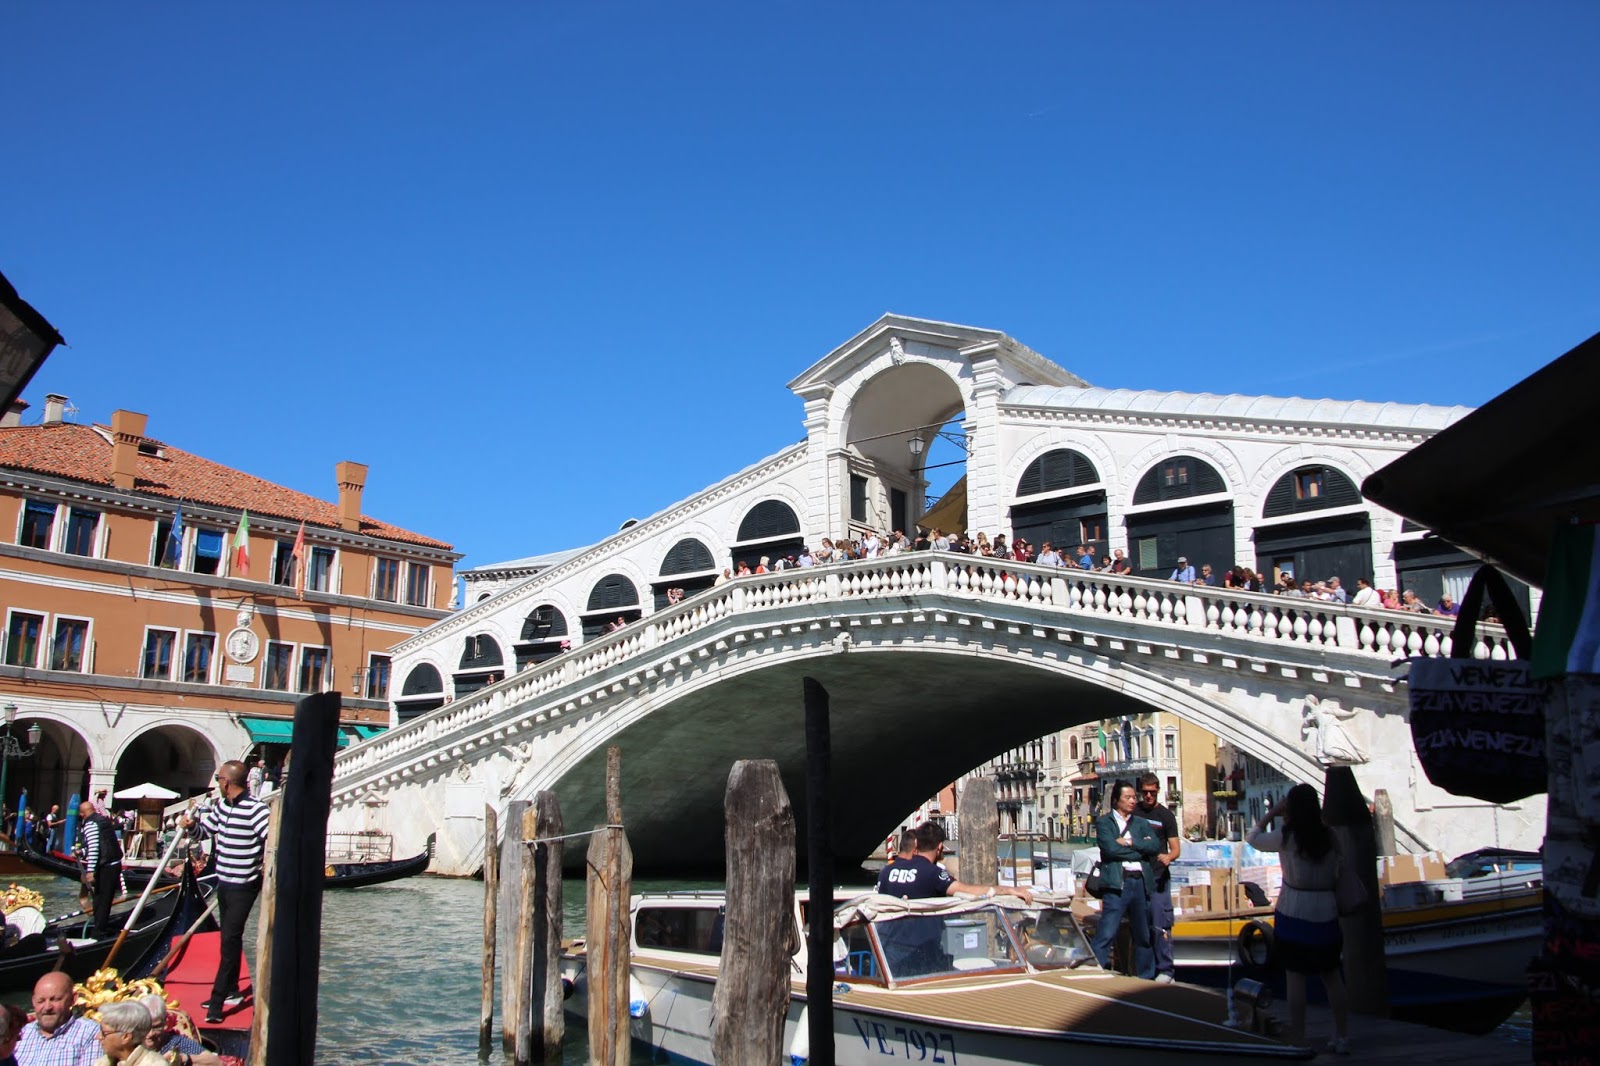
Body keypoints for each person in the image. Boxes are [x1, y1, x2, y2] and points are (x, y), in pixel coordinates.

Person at [1246, 783, 1352, 1054]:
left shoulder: (1286, 836)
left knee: (1295, 976)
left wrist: (1273, 813)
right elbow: (1341, 864)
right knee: (1331, 975)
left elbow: (1253, 837)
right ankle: (1341, 1035)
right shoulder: (1330, 836)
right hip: (1326, 908)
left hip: (1294, 908)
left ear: (1290, 808)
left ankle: (1300, 1035)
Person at [182, 760, 269, 1024]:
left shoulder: (256, 810)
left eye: (219, 778)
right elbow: (205, 831)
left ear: (226, 782)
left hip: (244, 884)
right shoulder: (223, 806)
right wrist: (190, 826)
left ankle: (218, 1002)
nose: (217, 782)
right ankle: (232, 989)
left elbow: (273, 839)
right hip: (224, 881)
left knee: (230, 939)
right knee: (227, 939)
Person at [1089, 780, 1162, 979]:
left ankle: (1146, 976)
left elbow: (1155, 846)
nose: (1132, 801)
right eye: (1127, 798)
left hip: (1140, 882)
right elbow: (1110, 849)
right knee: (1107, 931)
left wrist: (1129, 842)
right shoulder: (1105, 823)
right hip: (1116, 883)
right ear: (1116, 800)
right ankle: (1097, 971)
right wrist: (1140, 850)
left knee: (1143, 934)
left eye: (1133, 797)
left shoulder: (1141, 823)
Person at [875, 822, 1033, 904]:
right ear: (940, 847)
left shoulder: (886, 872)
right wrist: (1009, 890)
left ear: (917, 845)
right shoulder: (933, 873)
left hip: (888, 950)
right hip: (922, 950)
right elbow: (969, 890)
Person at [1135, 773, 1182, 983]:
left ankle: (1166, 970)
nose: (1148, 796)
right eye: (1145, 792)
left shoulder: (1166, 816)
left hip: (1158, 877)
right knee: (1140, 925)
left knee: (1160, 923)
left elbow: (1176, 849)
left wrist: (1168, 857)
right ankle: (1143, 970)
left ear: (1158, 791)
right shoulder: (1133, 812)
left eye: (1152, 793)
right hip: (1137, 876)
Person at [17, 972, 101, 1065]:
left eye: (55, 999)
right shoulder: (20, 1033)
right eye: (41, 1001)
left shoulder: (90, 1032)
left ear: (73, 999)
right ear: (33, 1002)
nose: (47, 1007)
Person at [75, 800, 123, 936]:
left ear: (83, 813)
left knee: (101, 899)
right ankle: (100, 925)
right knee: (103, 899)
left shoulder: (91, 823)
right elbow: (98, 845)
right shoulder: (103, 820)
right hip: (113, 863)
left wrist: (90, 871)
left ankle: (99, 931)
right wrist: (81, 852)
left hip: (107, 866)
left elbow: (95, 848)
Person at [137, 995, 212, 1065]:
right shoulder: (129, 1042)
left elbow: (215, 1062)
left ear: (165, 1022)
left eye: (157, 1027)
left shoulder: (177, 1042)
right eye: (146, 1027)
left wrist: (183, 1058)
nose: (150, 1034)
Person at [90, 1001, 164, 1066]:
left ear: (126, 1037)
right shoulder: (102, 1063)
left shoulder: (154, 1063)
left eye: (104, 1033)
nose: (98, 1037)